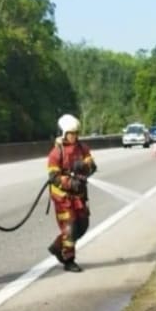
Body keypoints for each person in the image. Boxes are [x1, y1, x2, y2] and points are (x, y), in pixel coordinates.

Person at [46, 113, 97, 272]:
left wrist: (84, 166)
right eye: (71, 133)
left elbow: (92, 166)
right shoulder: (56, 153)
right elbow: (53, 177)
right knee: (70, 228)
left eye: (76, 133)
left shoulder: (83, 148)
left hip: (80, 195)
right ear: (63, 133)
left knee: (83, 225)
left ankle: (57, 246)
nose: (74, 136)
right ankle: (69, 260)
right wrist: (69, 182)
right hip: (63, 197)